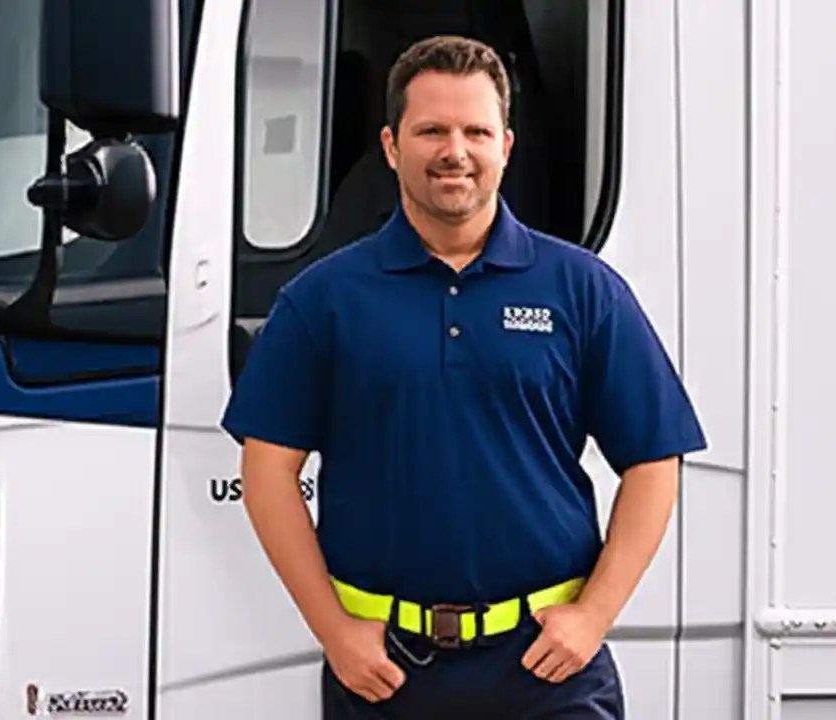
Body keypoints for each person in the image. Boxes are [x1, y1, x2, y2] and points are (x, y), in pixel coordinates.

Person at [220, 34, 707, 719]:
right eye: (431, 131)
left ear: (505, 145)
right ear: (392, 146)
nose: (455, 150)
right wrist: (334, 632)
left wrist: (593, 616)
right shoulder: (323, 299)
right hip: (386, 675)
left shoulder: (582, 289)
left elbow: (655, 462)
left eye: (476, 130)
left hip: (548, 672)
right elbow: (268, 471)